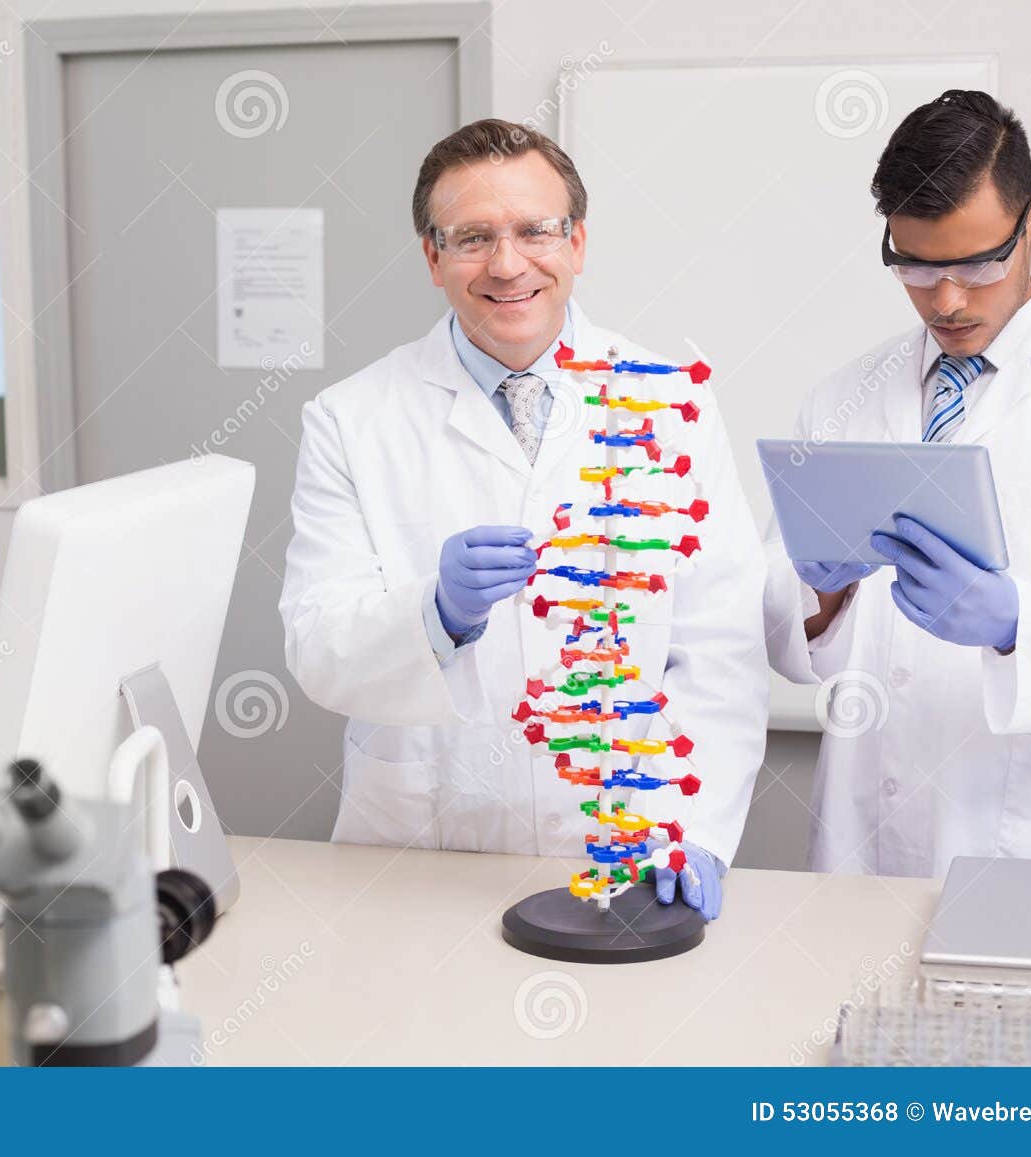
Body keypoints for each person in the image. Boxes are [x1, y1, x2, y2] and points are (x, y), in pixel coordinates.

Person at [279, 120, 768, 918]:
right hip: (418, 855)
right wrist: (433, 615)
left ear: (576, 242)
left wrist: (693, 824)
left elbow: (720, 643)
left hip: (623, 851)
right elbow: (316, 644)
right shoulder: (352, 418)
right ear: (433, 257)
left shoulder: (671, 402)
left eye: (536, 231)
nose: (508, 265)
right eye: (472, 237)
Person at [765, 91, 1031, 876]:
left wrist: (1018, 625)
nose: (948, 299)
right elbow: (774, 622)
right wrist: (817, 594)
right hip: (858, 848)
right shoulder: (843, 399)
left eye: (976, 263)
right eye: (915, 266)